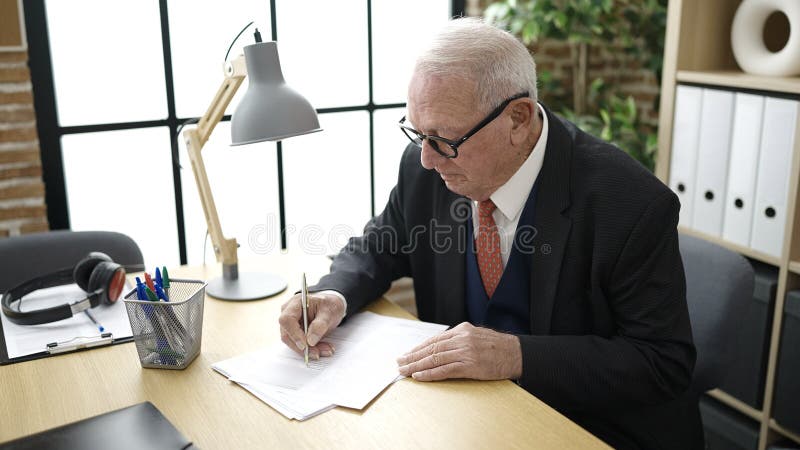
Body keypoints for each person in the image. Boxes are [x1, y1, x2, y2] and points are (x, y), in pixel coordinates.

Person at [278, 17, 701, 449]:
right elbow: (379, 245)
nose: (426, 157)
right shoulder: (429, 167)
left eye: (443, 138)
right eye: (417, 132)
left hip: (587, 425)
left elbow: (662, 362)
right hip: (469, 416)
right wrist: (334, 295)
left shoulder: (630, 203)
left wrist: (516, 355)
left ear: (517, 119)